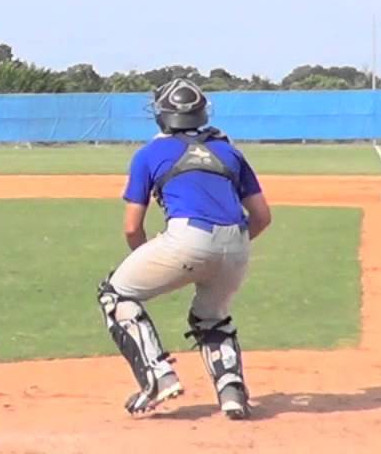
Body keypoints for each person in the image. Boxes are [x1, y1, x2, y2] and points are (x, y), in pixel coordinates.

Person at [95, 78, 272, 419]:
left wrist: (167, 260)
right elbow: (262, 217)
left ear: (163, 115)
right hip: (237, 243)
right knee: (211, 316)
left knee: (115, 296)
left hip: (186, 239)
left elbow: (133, 227)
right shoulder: (229, 151)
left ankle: (157, 376)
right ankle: (232, 391)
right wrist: (226, 248)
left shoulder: (150, 153)